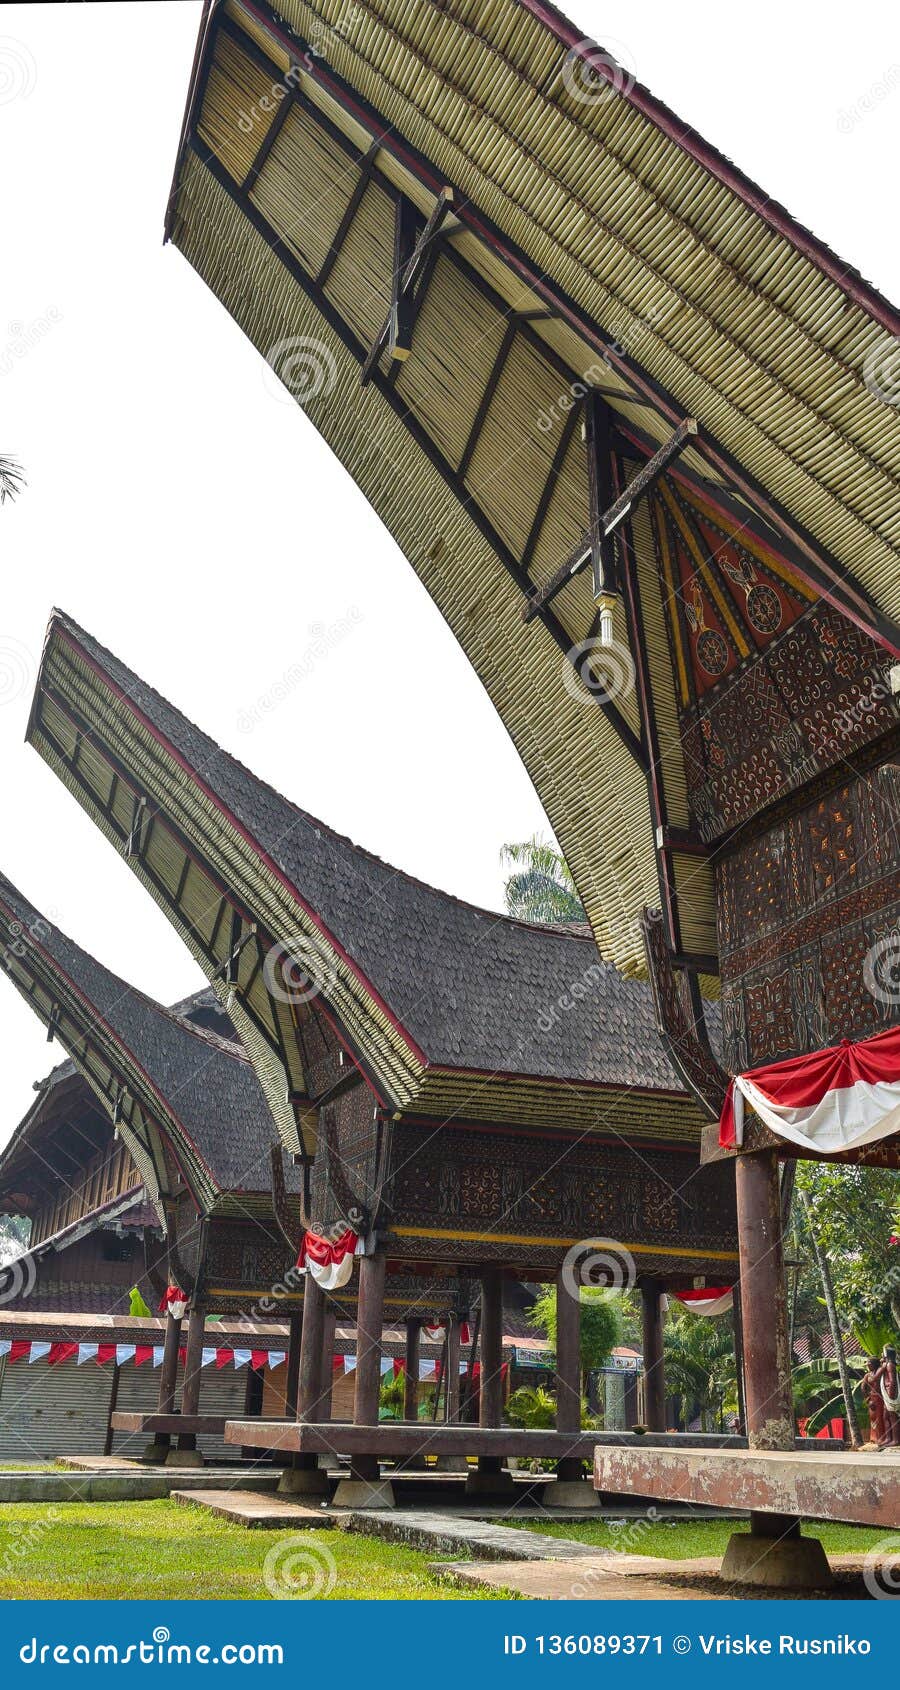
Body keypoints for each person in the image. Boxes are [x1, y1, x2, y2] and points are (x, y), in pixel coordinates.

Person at [876, 1345, 900, 1448]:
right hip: (887, 1394)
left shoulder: (890, 1365)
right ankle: (888, 1438)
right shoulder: (886, 1365)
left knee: (892, 1417)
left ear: (886, 1354)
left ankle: (895, 1439)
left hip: (890, 1394)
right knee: (886, 1416)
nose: (881, 1355)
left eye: (883, 1353)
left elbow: (893, 1381)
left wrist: (890, 1397)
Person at [862, 1355, 886, 1447]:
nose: (868, 1365)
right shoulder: (869, 1375)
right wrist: (867, 1399)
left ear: (874, 1364)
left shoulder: (877, 1373)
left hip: (879, 1398)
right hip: (874, 1398)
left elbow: (865, 1386)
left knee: (880, 1418)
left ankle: (880, 1438)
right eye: (867, 1363)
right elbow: (863, 1387)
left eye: (869, 1363)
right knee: (874, 1418)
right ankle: (875, 1438)